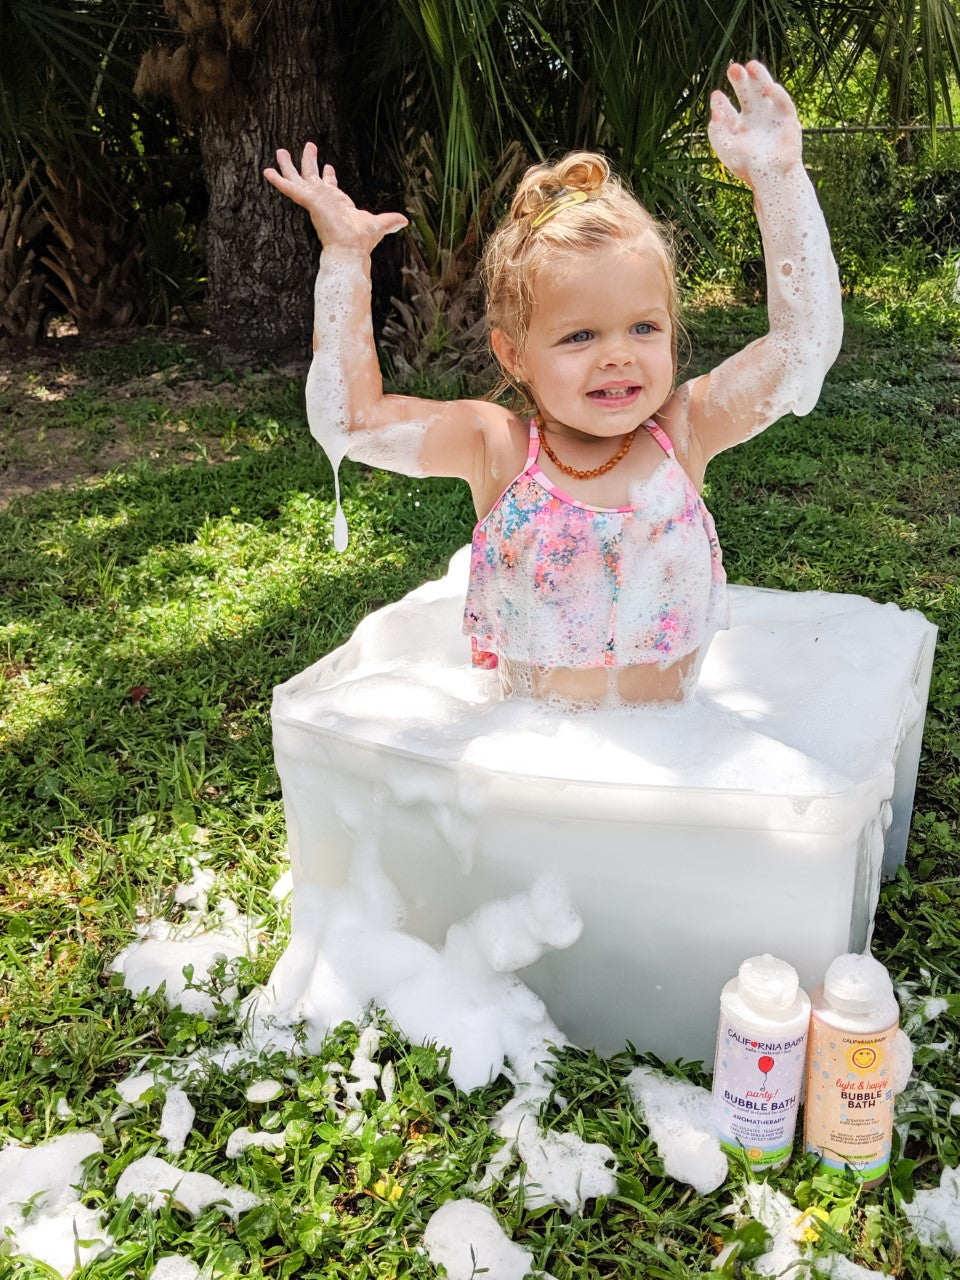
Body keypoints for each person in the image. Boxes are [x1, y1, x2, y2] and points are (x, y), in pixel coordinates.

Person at [264, 61, 842, 708]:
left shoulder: (685, 431)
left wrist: (780, 182)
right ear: (514, 354)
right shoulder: (500, 450)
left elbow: (800, 350)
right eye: (579, 337)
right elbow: (351, 420)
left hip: (672, 763)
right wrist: (345, 258)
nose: (617, 356)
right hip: (531, 763)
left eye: (644, 328)